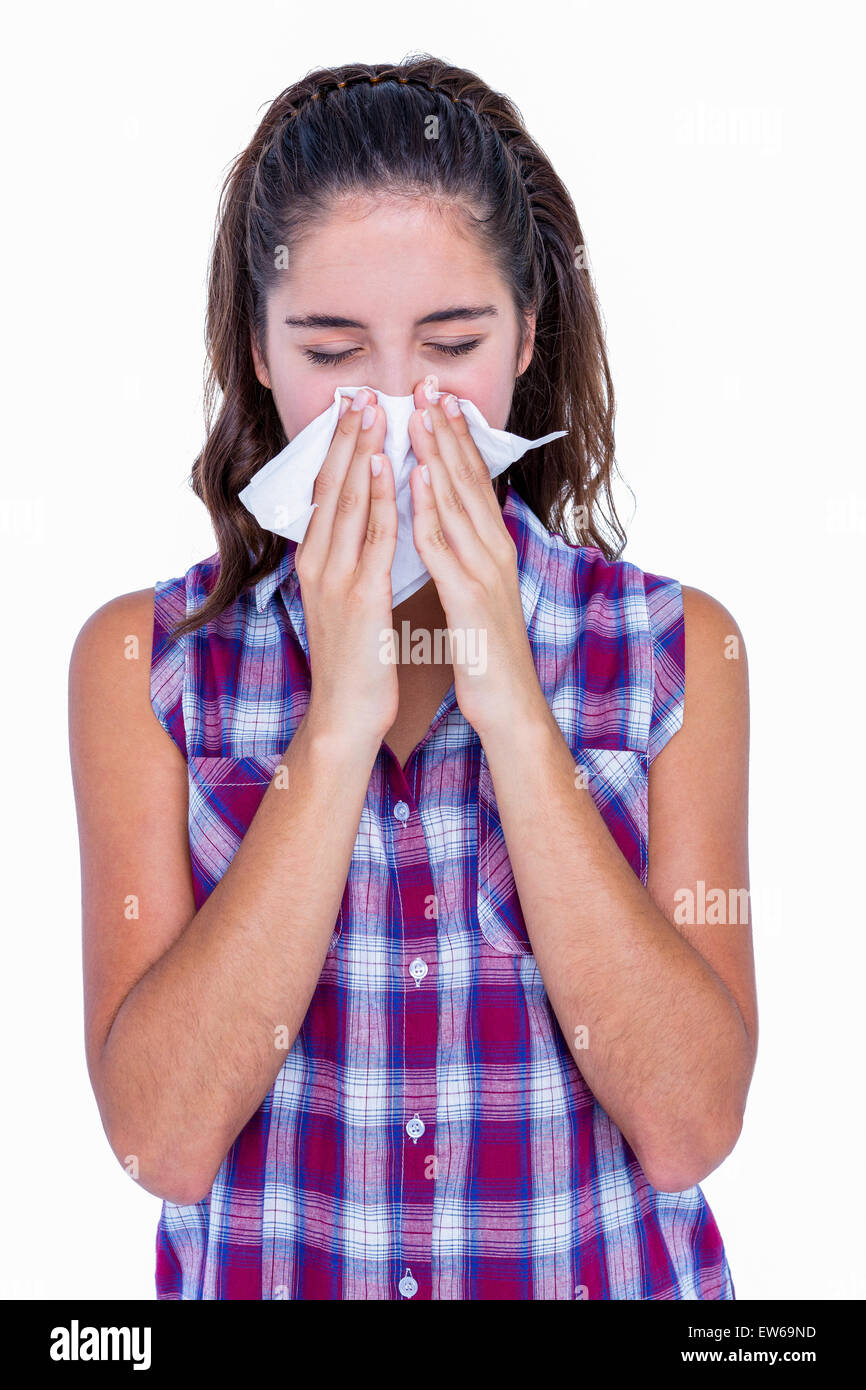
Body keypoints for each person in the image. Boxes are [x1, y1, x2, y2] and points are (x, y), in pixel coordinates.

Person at [68, 56, 757, 1300]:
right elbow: (159, 1140)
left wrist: (507, 700)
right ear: (260, 357)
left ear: (527, 337)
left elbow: (690, 1126)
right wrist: (338, 724)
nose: (392, 405)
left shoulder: (672, 651)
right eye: (332, 349)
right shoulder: (148, 669)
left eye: (451, 343)